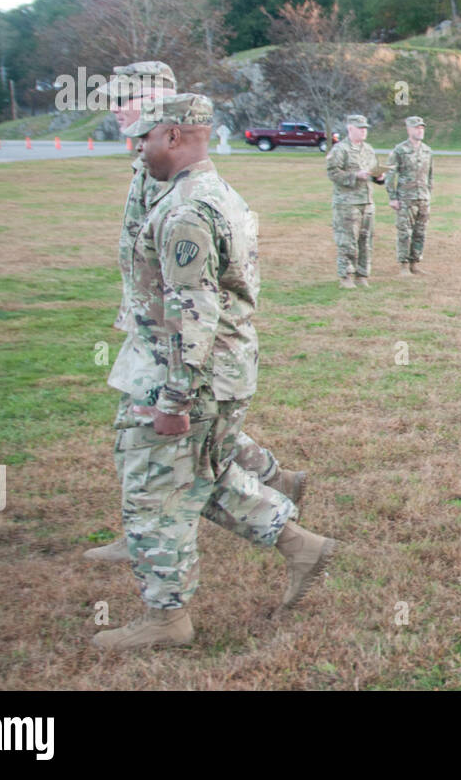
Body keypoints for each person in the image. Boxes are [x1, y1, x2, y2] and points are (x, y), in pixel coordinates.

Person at [93, 93, 336, 650]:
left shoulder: (187, 210)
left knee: (156, 496)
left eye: (147, 137)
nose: (139, 147)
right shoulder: (217, 193)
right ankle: (300, 544)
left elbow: (193, 312)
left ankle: (166, 619)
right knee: (201, 476)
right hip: (220, 371)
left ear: (174, 136)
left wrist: (174, 400)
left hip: (185, 377)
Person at [84, 63, 304, 564]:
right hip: (164, 331)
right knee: (168, 454)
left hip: (182, 339)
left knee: (178, 461)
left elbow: (195, 291)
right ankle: (153, 529)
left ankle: (287, 532)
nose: (117, 111)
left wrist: (177, 390)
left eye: (126, 100)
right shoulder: (155, 163)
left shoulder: (181, 181)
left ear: (163, 107)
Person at [326, 113, 382, 288]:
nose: (364, 132)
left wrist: (379, 177)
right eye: (360, 128)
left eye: (365, 128)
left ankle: (362, 275)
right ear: (350, 129)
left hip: (366, 201)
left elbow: (373, 170)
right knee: (347, 241)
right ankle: (346, 276)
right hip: (347, 203)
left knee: (366, 240)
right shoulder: (340, 149)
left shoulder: (369, 149)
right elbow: (333, 173)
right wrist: (355, 175)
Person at [386, 115, 433, 277]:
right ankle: (404, 265)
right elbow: (390, 174)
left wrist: (428, 194)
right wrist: (392, 197)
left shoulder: (427, 150)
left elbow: (430, 176)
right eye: (417, 128)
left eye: (422, 128)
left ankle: (415, 263)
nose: (420, 130)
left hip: (423, 198)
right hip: (405, 199)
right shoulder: (400, 150)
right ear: (409, 129)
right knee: (405, 232)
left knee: (420, 232)